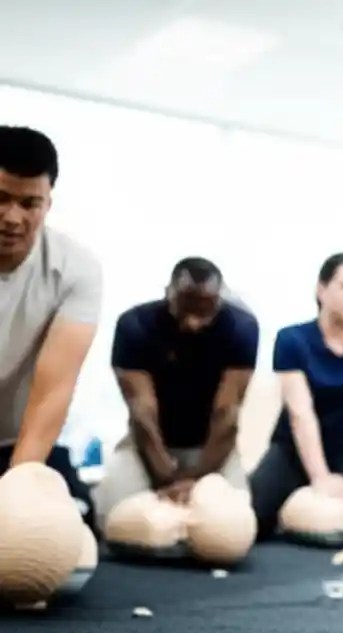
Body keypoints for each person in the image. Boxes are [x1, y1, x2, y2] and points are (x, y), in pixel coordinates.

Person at [94, 257, 259, 527]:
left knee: (233, 526)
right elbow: (142, 413)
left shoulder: (241, 328)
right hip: (147, 446)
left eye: (204, 312)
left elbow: (226, 416)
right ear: (168, 294)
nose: (193, 322)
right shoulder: (135, 326)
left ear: (218, 302)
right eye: (186, 308)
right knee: (115, 521)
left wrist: (196, 481)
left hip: (211, 448)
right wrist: (166, 479)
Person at [0, 125, 102, 530]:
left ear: (48, 203)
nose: (12, 218)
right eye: (1, 198)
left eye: (30, 203)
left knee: (73, 532)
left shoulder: (76, 269)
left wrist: (17, 493)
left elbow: (53, 390)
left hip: (18, 440)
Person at [249, 253, 343, 540]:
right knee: (252, 521)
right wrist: (320, 477)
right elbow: (301, 414)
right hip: (293, 451)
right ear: (321, 290)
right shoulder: (291, 340)